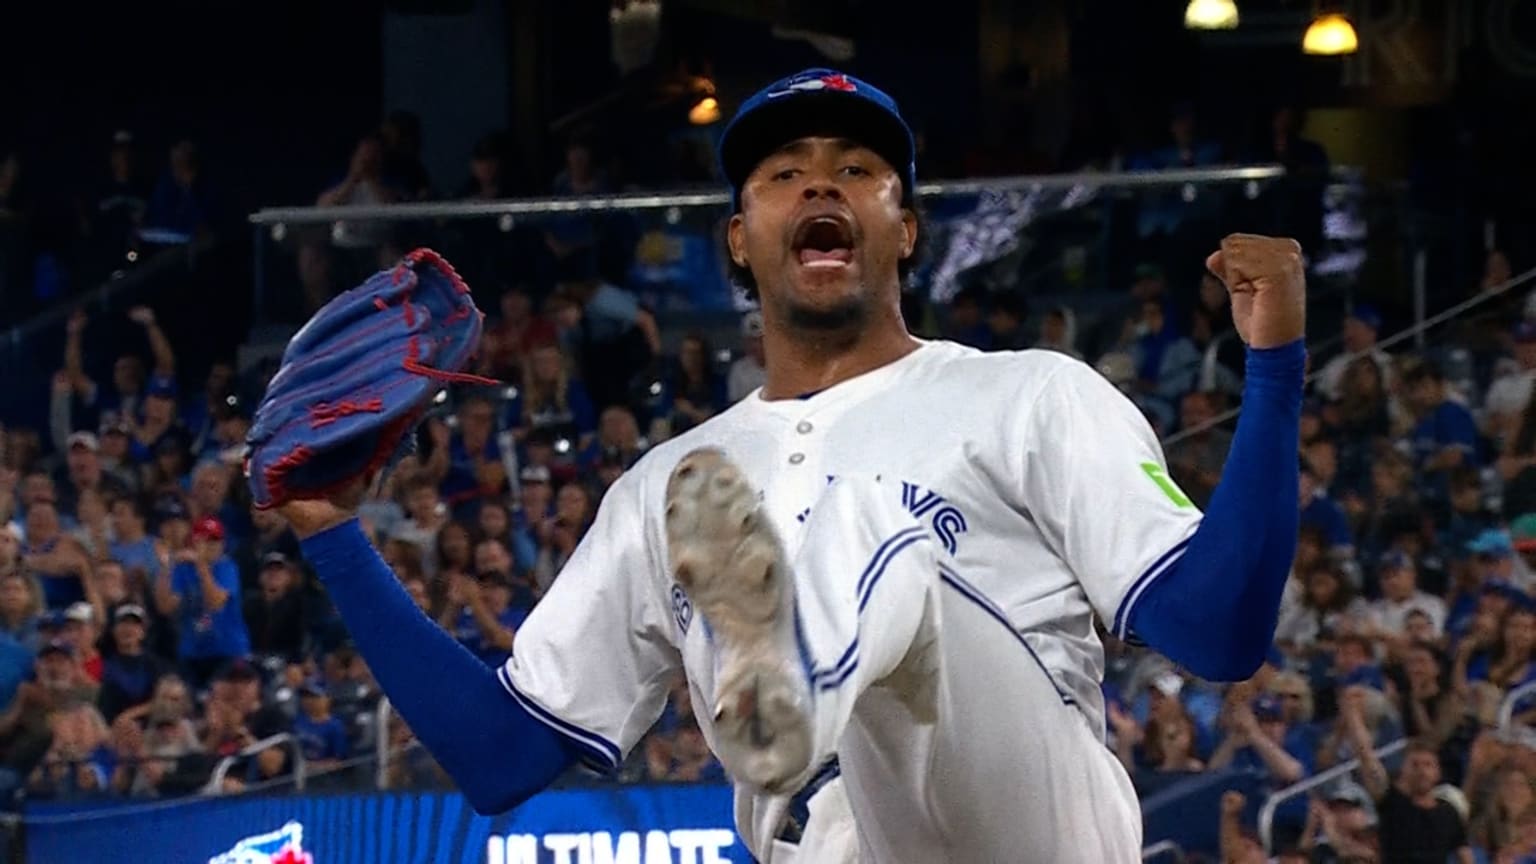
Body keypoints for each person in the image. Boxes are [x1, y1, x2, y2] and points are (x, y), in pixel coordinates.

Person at [272, 68, 1305, 862]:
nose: (820, 179)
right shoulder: (663, 486)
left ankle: (794, 684)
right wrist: (334, 536)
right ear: (737, 238)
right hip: (823, 843)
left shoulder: (1033, 394)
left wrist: (1274, 369)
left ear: (906, 230)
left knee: (882, 532)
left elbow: (1219, 631)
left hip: (1029, 826)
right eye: (783, 173)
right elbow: (500, 758)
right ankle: (792, 686)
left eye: (857, 170)